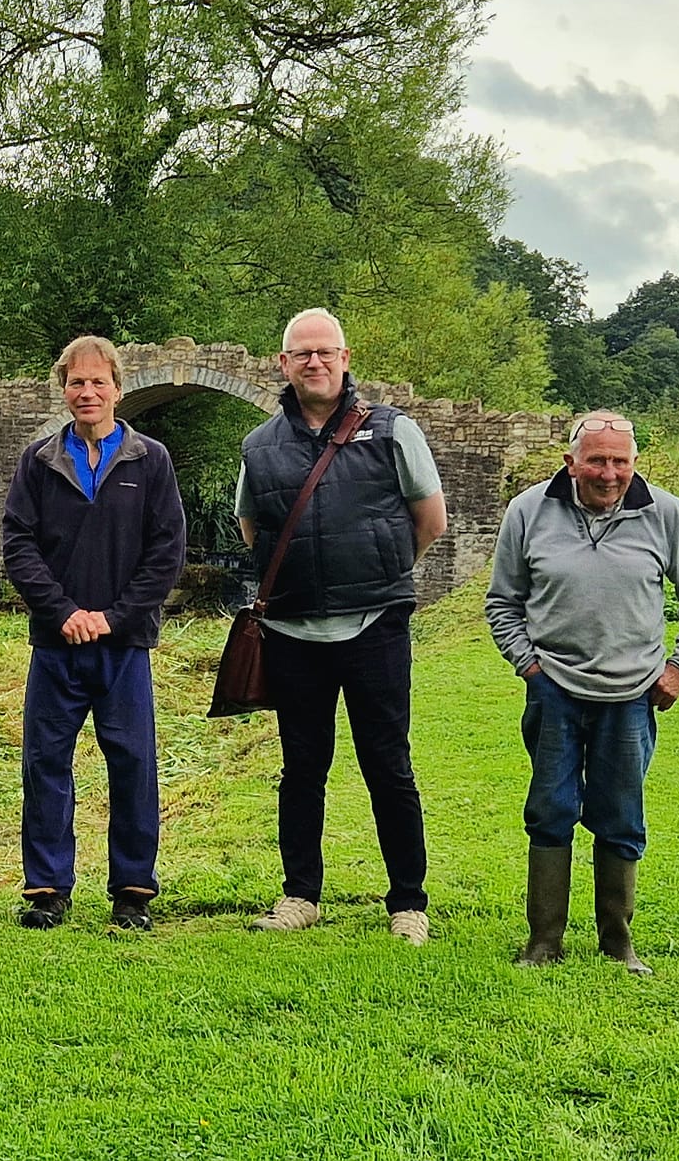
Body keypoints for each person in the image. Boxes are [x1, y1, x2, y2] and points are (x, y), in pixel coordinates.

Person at [237, 307, 447, 946]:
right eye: (302, 354)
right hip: (295, 633)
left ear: (345, 358)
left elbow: (429, 519)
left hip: (375, 625)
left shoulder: (391, 431)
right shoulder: (259, 446)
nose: (315, 362)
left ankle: (408, 901)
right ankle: (301, 895)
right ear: (283, 364)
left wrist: (378, 573)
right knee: (302, 767)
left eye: (325, 352)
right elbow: (252, 529)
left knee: (388, 763)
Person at [485, 410, 679, 973]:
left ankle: (617, 942)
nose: (609, 473)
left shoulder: (666, 515)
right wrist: (529, 666)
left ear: (635, 464)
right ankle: (544, 940)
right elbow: (502, 602)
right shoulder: (528, 511)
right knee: (550, 811)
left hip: (633, 695)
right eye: (596, 460)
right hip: (554, 691)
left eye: (620, 461)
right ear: (571, 463)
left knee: (620, 815)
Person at [2, 336, 186, 932]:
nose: (87, 392)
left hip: (124, 645)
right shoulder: (38, 462)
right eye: (76, 382)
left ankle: (132, 891)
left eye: (98, 382)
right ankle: (48, 889)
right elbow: (19, 545)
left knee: (133, 762)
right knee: (46, 763)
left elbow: (166, 552)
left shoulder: (149, 460)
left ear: (118, 388)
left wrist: (114, 616)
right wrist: (64, 612)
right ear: (64, 389)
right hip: (57, 644)